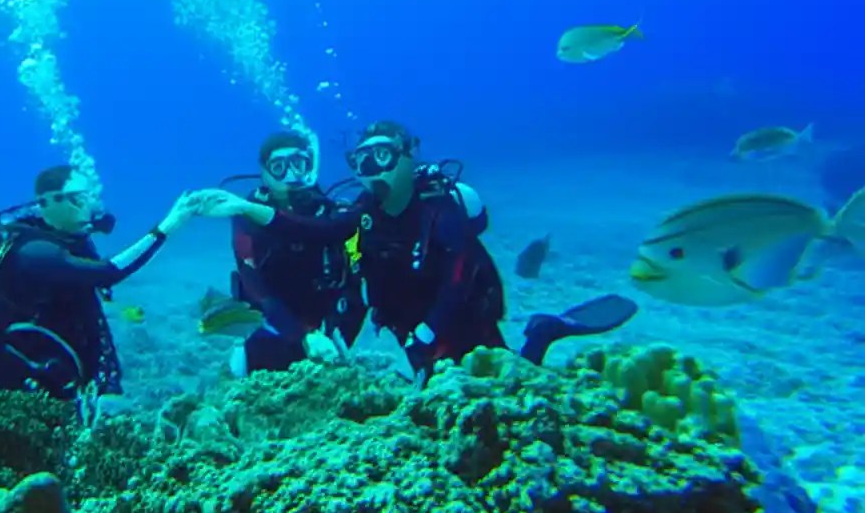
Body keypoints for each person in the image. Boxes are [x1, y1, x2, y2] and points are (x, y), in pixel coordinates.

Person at [202, 120, 636, 380]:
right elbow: (327, 236)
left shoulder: (438, 205)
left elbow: (458, 276)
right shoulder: (362, 209)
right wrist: (248, 210)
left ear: (409, 155)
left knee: (503, 384)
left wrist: (427, 332)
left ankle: (541, 333)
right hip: (404, 322)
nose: (373, 170)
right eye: (363, 160)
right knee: (438, 395)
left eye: (384, 156)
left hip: (457, 313)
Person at [0, 165, 201, 400]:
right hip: (28, 391)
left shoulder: (72, 242)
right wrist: (169, 225)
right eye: (78, 199)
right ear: (46, 203)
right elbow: (109, 273)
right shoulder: (33, 252)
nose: (88, 206)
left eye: (88, 197)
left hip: (63, 378)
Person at [223, 130, 366, 376]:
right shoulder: (247, 217)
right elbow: (254, 285)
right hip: (270, 320)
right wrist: (302, 335)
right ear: (264, 172)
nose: (290, 175)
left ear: (310, 166)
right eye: (278, 166)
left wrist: (337, 333)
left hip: (325, 323)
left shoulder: (332, 213)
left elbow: (355, 281)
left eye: (298, 164)